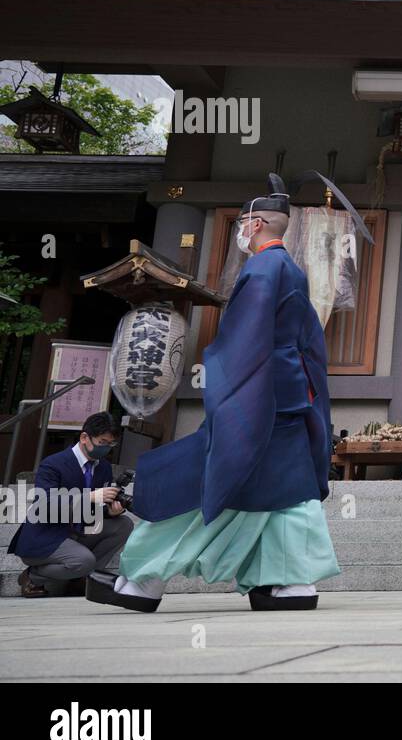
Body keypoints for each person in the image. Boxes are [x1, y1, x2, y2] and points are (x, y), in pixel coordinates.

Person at [86, 172, 369, 613]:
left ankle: (141, 580)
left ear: (255, 224)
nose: (239, 230)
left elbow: (245, 343)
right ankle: (289, 583)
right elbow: (311, 346)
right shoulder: (291, 270)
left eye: (242, 222)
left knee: (206, 483)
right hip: (290, 402)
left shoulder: (261, 269)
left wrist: (227, 389)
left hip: (260, 400)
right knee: (287, 494)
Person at [8, 412, 131, 598]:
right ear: (84, 437)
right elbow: (44, 505)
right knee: (84, 561)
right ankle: (33, 576)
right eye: (102, 442)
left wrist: (110, 511)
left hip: (79, 530)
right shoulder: (53, 464)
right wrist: (89, 496)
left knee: (123, 524)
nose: (106, 448)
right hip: (46, 536)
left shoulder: (103, 467)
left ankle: (80, 580)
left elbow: (95, 509)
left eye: (111, 444)